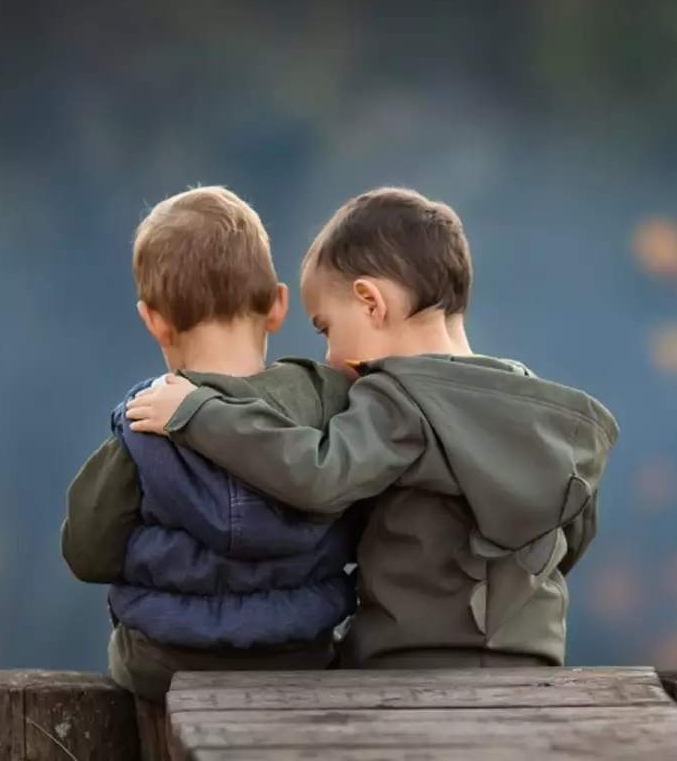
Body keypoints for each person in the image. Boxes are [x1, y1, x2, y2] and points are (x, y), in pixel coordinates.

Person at [126, 186, 619, 670]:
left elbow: (319, 477)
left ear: (370, 302)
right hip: (532, 658)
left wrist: (198, 413)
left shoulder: (397, 400)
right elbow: (573, 528)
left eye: (326, 328)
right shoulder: (529, 402)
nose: (330, 357)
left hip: (410, 662)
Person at [61, 185, 359, 702]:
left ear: (152, 319)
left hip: (166, 669)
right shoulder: (331, 409)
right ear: (278, 306)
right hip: (302, 658)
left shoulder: (144, 424)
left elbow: (86, 553)